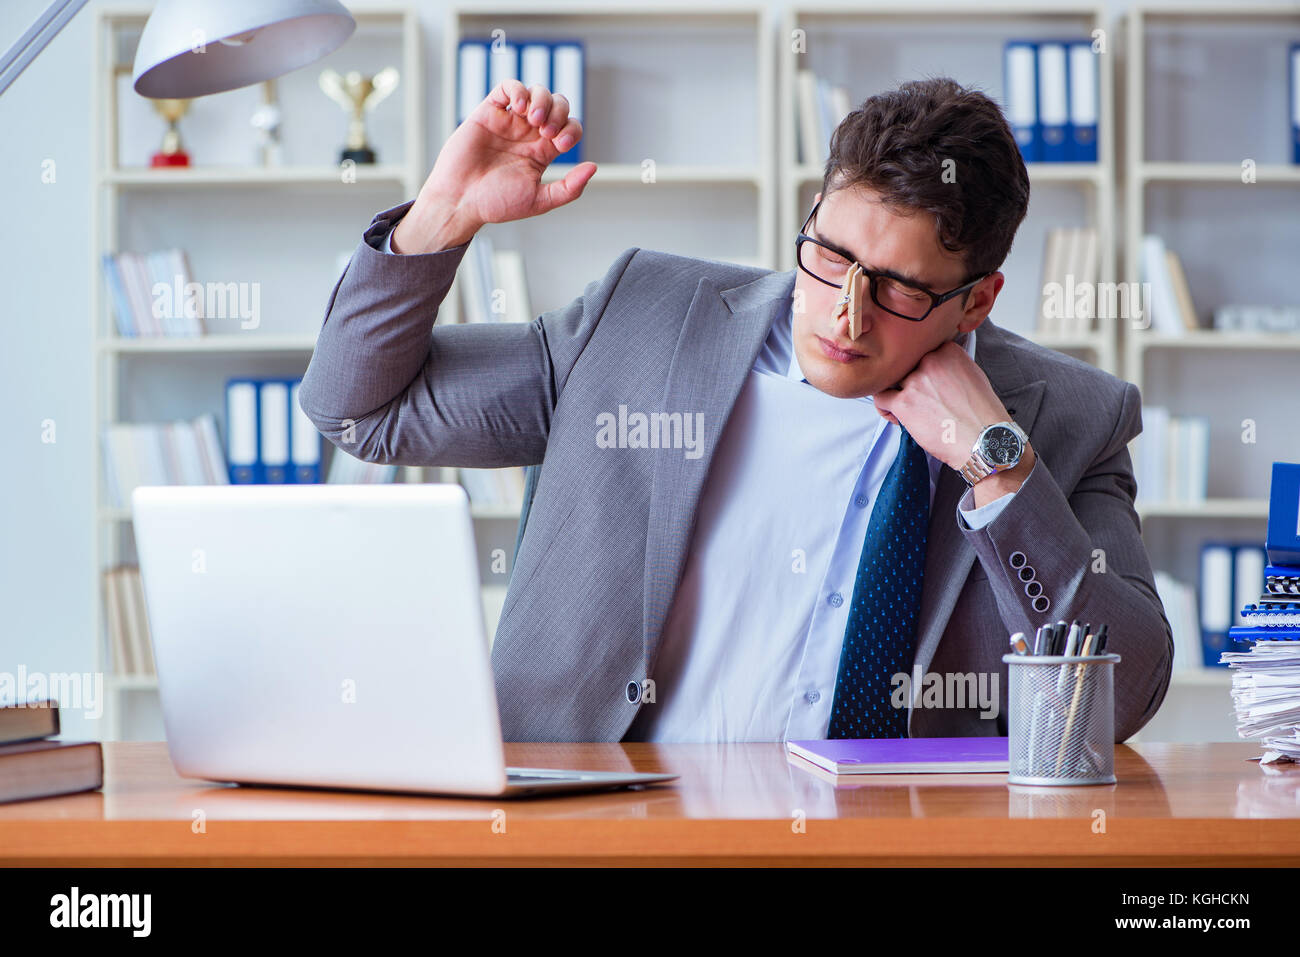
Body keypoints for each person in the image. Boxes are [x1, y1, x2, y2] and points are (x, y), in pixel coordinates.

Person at [298, 76, 1173, 743]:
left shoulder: (1070, 420)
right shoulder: (645, 320)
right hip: (595, 832)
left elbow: (1119, 699)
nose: (844, 314)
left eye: (900, 290)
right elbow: (361, 410)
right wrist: (440, 220)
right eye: (830, 256)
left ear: (977, 302)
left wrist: (997, 463)